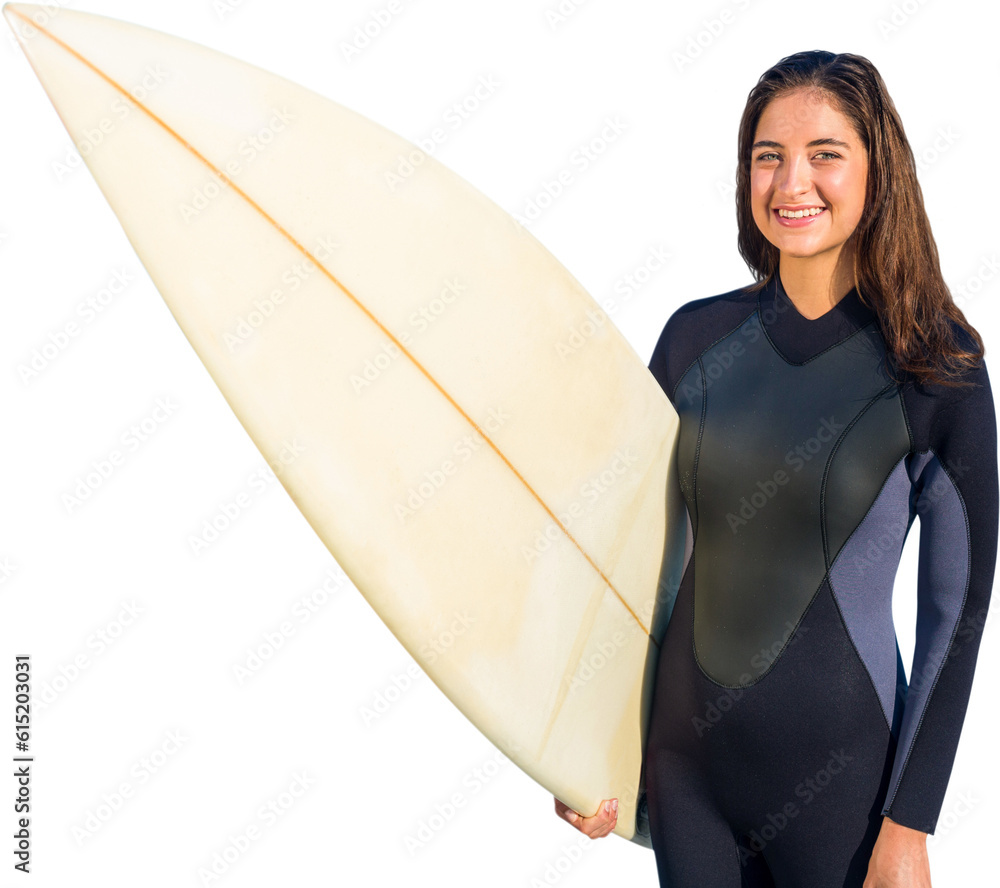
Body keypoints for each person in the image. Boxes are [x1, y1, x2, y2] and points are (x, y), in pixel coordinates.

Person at [553, 50, 998, 887]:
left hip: (846, 794)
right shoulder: (693, 343)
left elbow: (957, 611)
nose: (793, 181)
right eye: (769, 156)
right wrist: (587, 747)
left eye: (825, 153)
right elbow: (630, 564)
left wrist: (911, 825)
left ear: (879, 169)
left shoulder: (935, 366)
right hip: (687, 782)